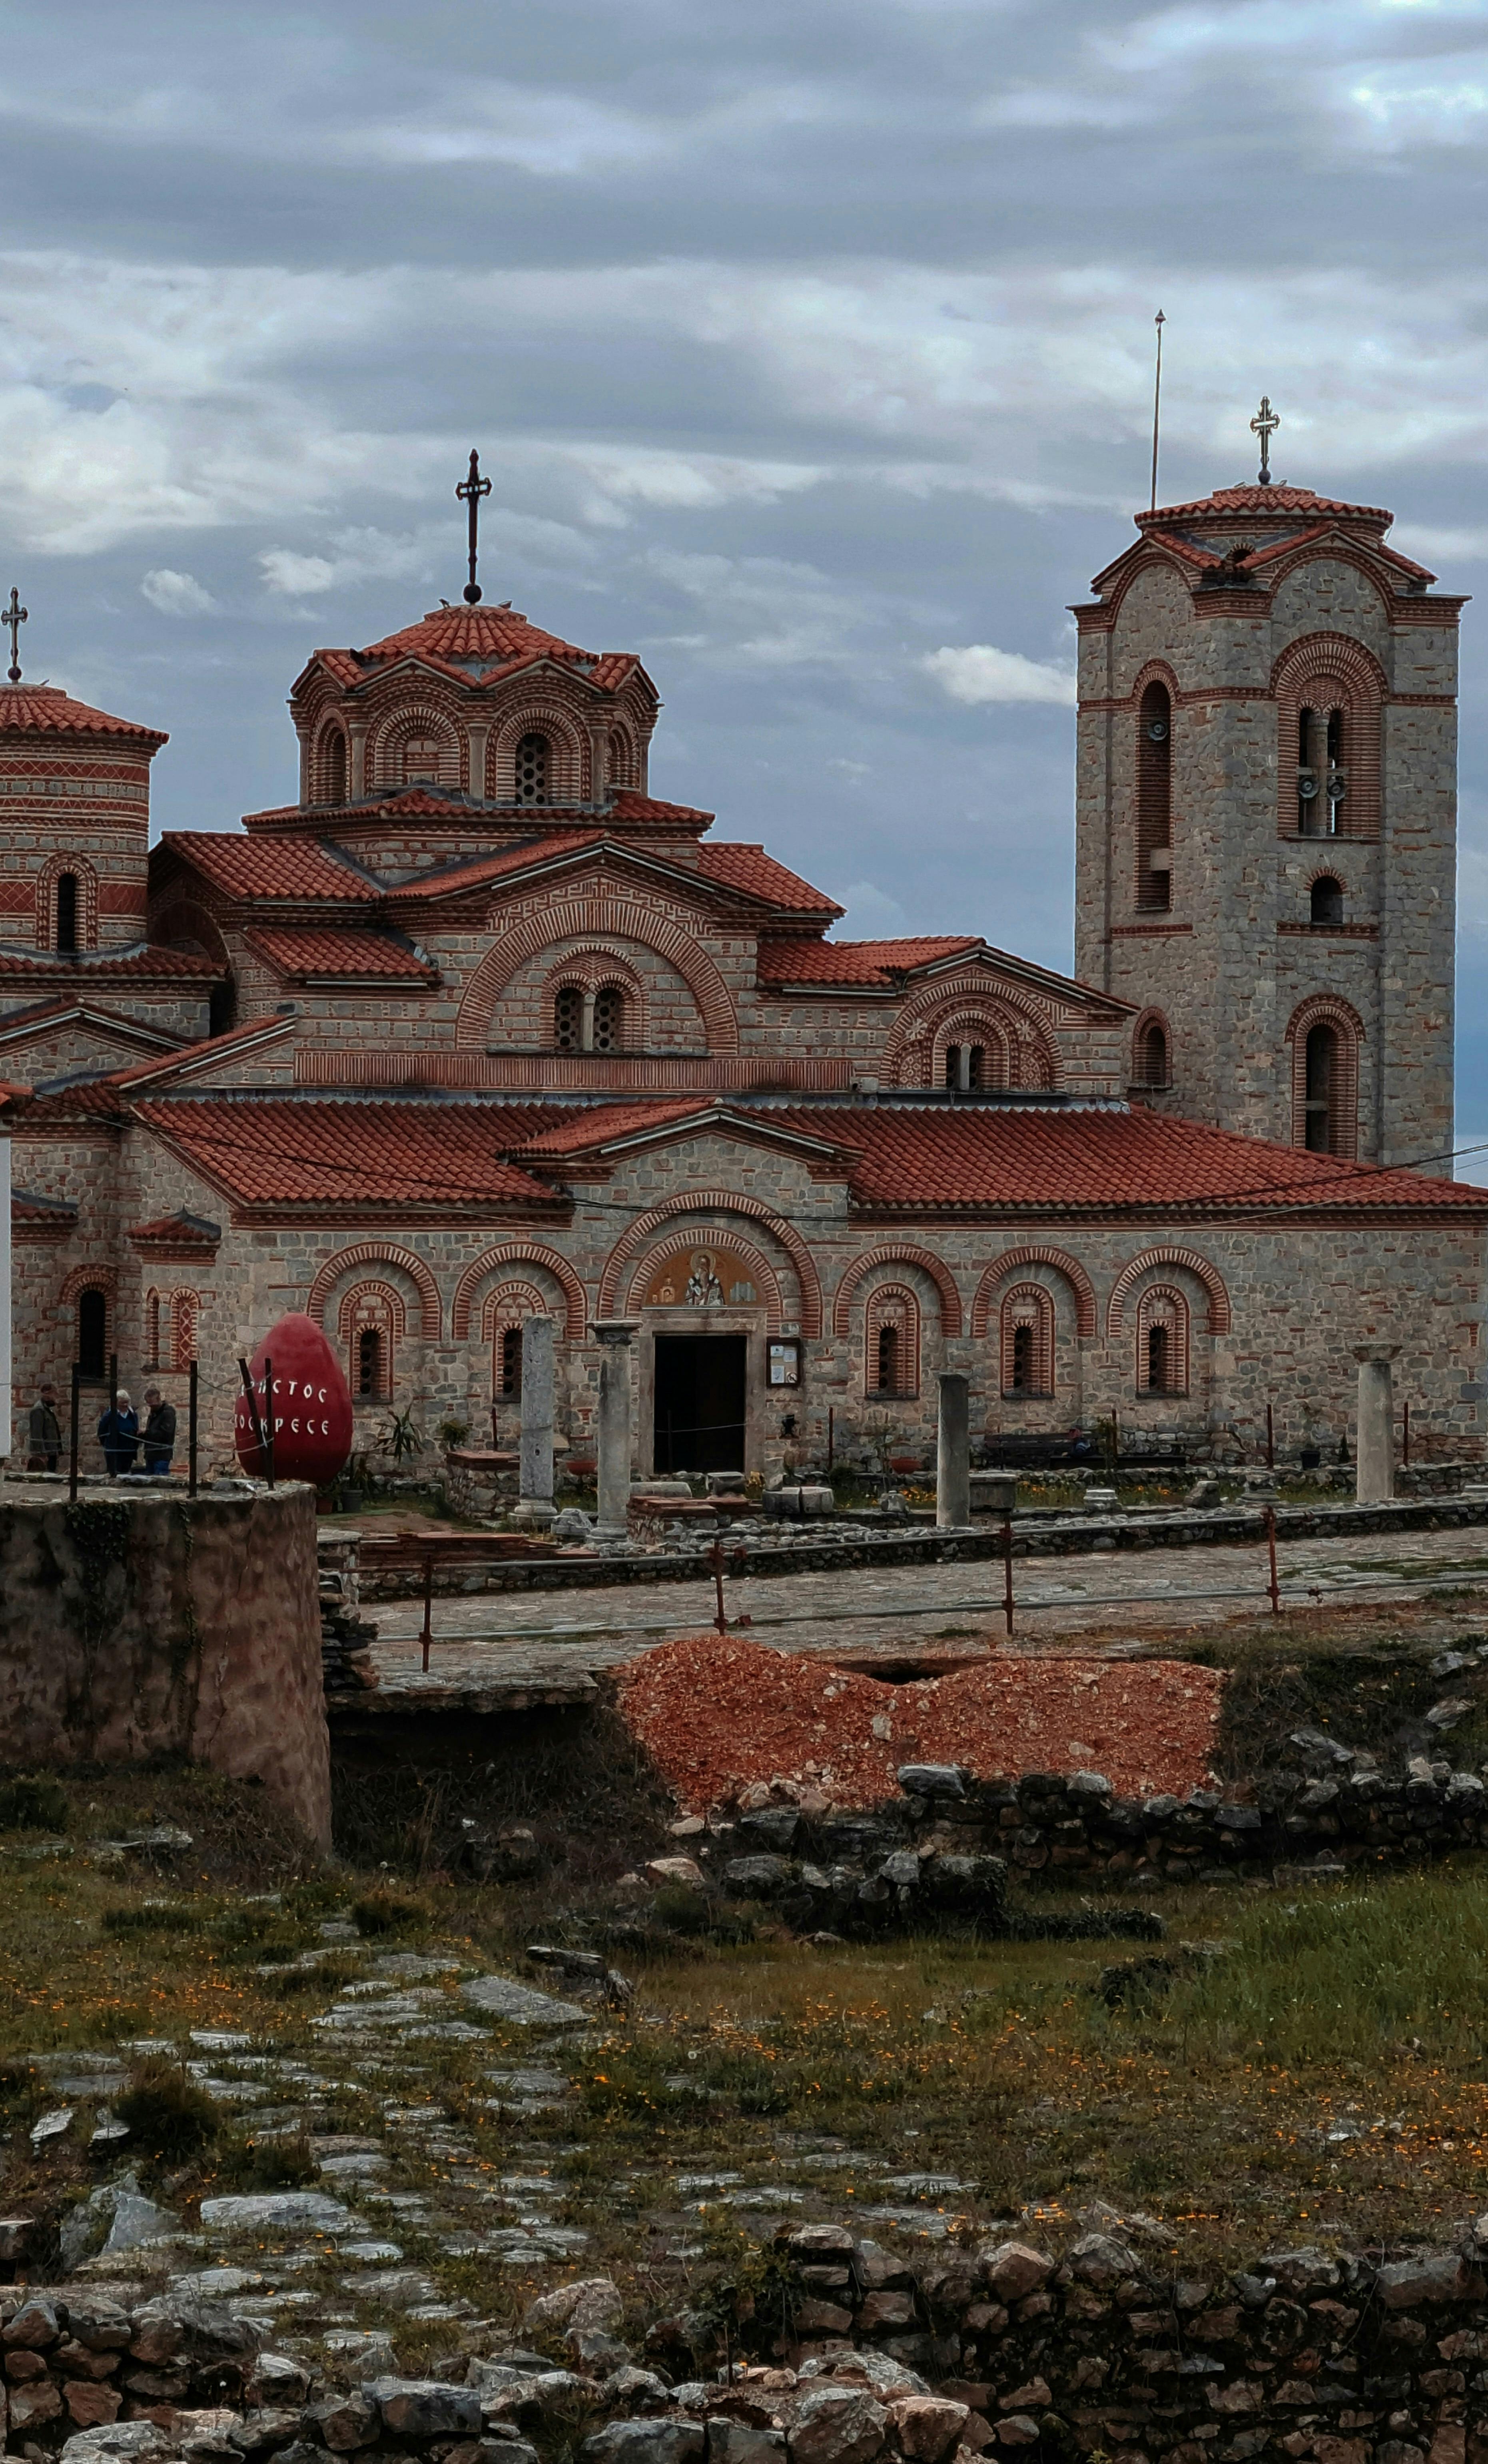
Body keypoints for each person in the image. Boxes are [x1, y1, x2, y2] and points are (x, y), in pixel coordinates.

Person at [96, 1390, 139, 1475]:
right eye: (122, 1403)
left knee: (126, 1474)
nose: (125, 1405)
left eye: (127, 1402)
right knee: (115, 1475)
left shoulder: (132, 1415)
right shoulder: (109, 1415)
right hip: (115, 1451)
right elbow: (102, 1432)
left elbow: (135, 1428)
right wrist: (108, 1445)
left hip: (129, 1451)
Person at [142, 1386, 176, 1474]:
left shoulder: (167, 1413)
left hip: (162, 1455)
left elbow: (166, 1434)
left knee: (160, 1481)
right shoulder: (154, 1413)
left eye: (153, 1404)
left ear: (159, 1399)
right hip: (151, 1455)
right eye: (149, 1404)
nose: (151, 1407)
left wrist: (148, 1433)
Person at [27, 1382, 61, 1471]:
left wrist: (58, 1449)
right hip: (46, 1454)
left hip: (51, 1452)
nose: (56, 1397)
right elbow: (36, 1435)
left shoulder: (48, 1411)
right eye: (54, 1394)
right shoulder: (39, 1411)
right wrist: (41, 1455)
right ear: (47, 1394)